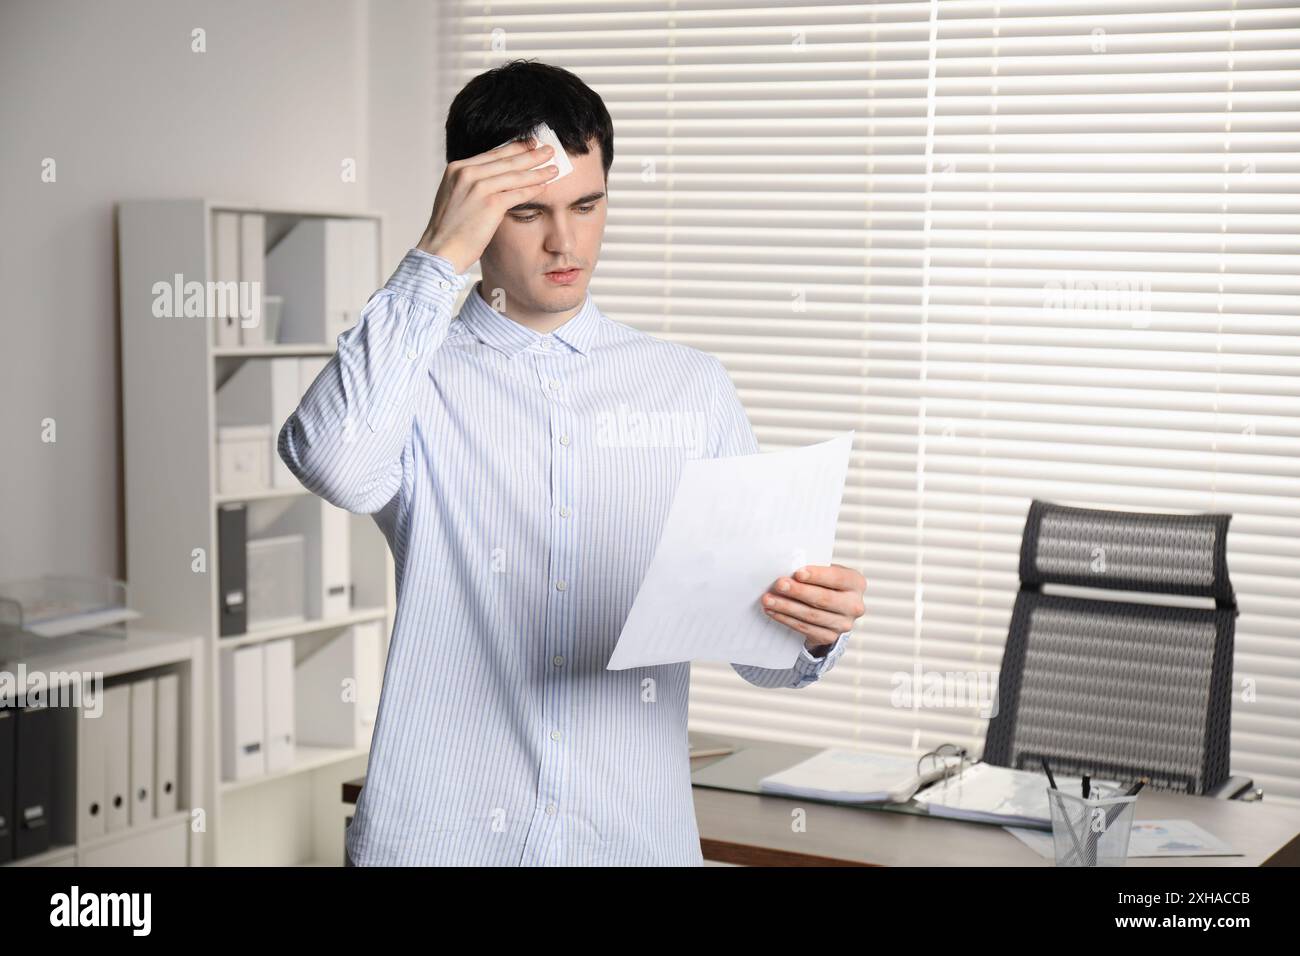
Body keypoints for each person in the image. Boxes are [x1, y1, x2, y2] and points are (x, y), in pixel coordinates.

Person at [280, 59, 866, 866]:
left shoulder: (688, 388)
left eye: (587, 205)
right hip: (441, 843)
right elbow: (334, 463)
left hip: (628, 842)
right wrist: (437, 255)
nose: (566, 241)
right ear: (473, 211)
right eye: (527, 212)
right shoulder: (410, 377)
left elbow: (758, 650)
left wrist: (809, 628)